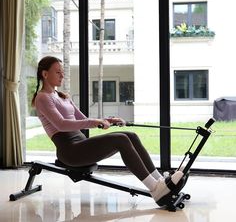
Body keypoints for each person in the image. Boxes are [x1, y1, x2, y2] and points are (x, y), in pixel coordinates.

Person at [31, 56, 184, 205]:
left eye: (62, 71)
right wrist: (94, 122)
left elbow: (83, 118)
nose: (62, 75)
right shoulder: (42, 98)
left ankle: (160, 181)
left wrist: (109, 120)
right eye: (58, 72)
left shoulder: (62, 96)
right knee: (121, 140)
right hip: (70, 151)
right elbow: (62, 125)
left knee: (130, 135)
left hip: (81, 145)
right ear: (45, 74)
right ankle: (155, 189)